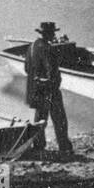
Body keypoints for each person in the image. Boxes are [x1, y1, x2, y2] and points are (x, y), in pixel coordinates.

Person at [24, 21, 74, 158]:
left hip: (36, 88)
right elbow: (51, 70)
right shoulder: (48, 48)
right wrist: (55, 83)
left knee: (40, 118)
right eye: (52, 33)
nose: (53, 35)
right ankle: (64, 146)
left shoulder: (32, 46)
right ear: (48, 34)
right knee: (59, 119)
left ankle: (39, 146)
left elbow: (27, 68)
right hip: (49, 89)